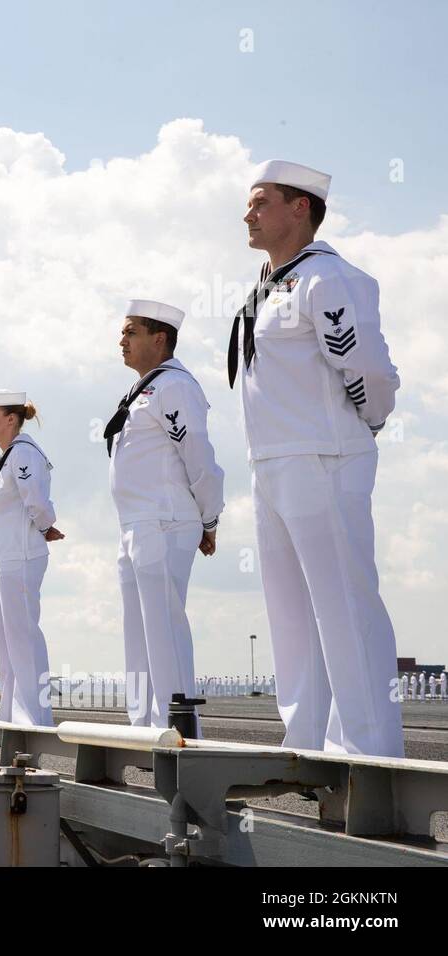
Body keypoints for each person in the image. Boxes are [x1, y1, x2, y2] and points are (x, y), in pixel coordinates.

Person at [231, 160, 402, 756]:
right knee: (291, 614)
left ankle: (370, 750)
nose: (248, 214)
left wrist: (366, 423)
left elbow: (369, 370)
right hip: (273, 462)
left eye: (260, 202)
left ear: (299, 207)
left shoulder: (327, 279)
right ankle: (306, 743)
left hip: (323, 456)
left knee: (345, 607)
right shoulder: (268, 285)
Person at [107, 298, 224, 732]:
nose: (122, 340)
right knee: (138, 632)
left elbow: (198, 457)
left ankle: (178, 727)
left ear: (160, 338)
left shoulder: (175, 386)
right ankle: (144, 726)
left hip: (164, 521)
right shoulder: (145, 389)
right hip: (136, 525)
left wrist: (208, 519)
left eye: (131, 332)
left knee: (164, 627)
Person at [0, 390, 62, 726]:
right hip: (2, 558)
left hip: (19, 557)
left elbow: (35, 500)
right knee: (9, 641)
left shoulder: (23, 453)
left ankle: (34, 717)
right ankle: (13, 712)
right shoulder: (8, 457)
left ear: (11, 419)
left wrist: (46, 526)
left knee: (23, 637)